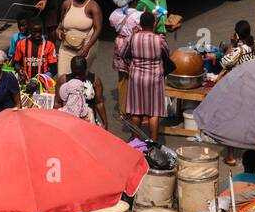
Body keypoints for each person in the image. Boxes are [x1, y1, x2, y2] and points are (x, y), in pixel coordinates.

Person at [119, 11, 171, 142]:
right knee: (154, 112)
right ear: (154, 23)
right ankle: (153, 143)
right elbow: (166, 54)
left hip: (136, 77)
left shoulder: (132, 38)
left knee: (136, 111)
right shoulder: (159, 40)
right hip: (155, 78)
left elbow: (123, 53)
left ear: (140, 24)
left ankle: (135, 140)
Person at [57, 0, 103, 75]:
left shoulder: (93, 6)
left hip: (85, 49)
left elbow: (98, 29)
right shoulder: (66, 4)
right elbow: (61, 23)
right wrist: (58, 30)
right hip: (66, 47)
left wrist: (86, 48)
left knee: (79, 78)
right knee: (62, 77)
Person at [58, 54, 108, 128]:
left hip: (89, 121)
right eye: (75, 73)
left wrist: (105, 123)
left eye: (80, 73)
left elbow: (99, 102)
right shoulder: (63, 80)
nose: (77, 77)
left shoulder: (95, 80)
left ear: (86, 69)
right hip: (68, 121)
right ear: (71, 69)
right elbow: (57, 102)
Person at [13, 18, 58, 84]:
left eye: (40, 31)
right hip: (26, 82)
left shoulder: (49, 45)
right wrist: (19, 69)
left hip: (43, 84)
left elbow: (54, 69)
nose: (38, 34)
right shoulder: (21, 44)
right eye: (34, 32)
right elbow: (16, 63)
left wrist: (39, 81)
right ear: (29, 31)